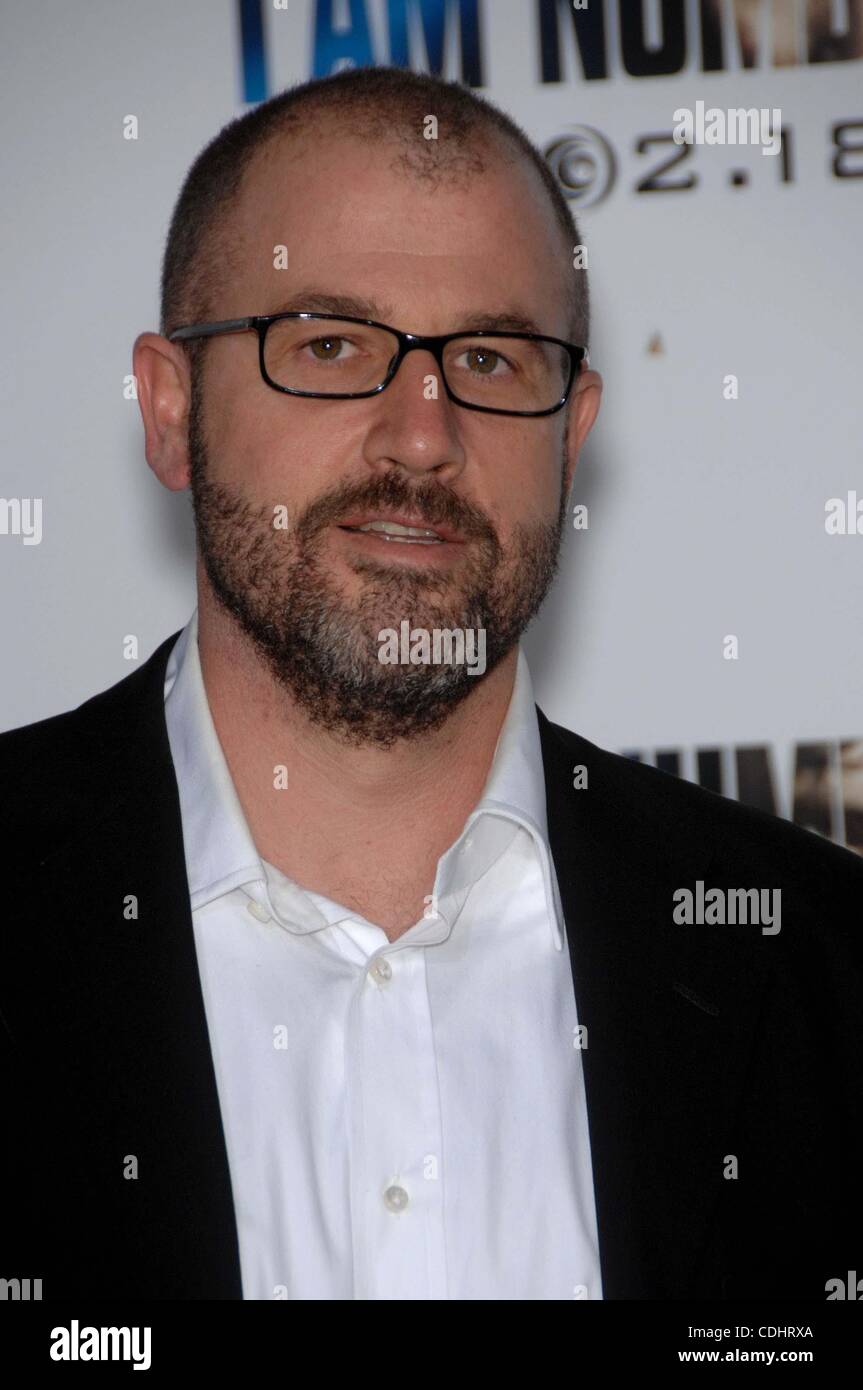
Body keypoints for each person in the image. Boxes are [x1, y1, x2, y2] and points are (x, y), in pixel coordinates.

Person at [1, 65, 860, 1303]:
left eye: (494, 361)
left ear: (572, 434)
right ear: (170, 408)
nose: (421, 435)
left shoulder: (820, 975)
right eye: (332, 345)